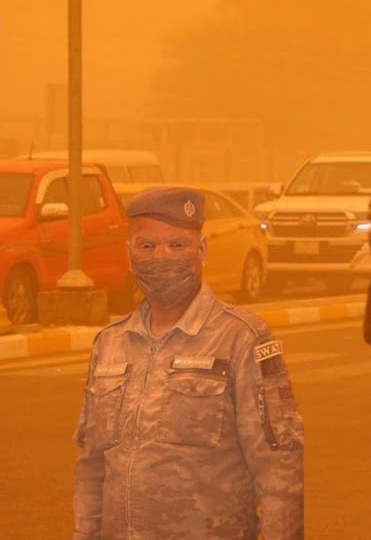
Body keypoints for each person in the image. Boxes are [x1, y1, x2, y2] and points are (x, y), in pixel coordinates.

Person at [73, 186, 304, 540]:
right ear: (129, 253)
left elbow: (277, 470)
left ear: (202, 250)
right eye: (147, 246)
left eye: (177, 245)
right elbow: (92, 470)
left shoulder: (242, 338)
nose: (161, 257)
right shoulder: (110, 344)